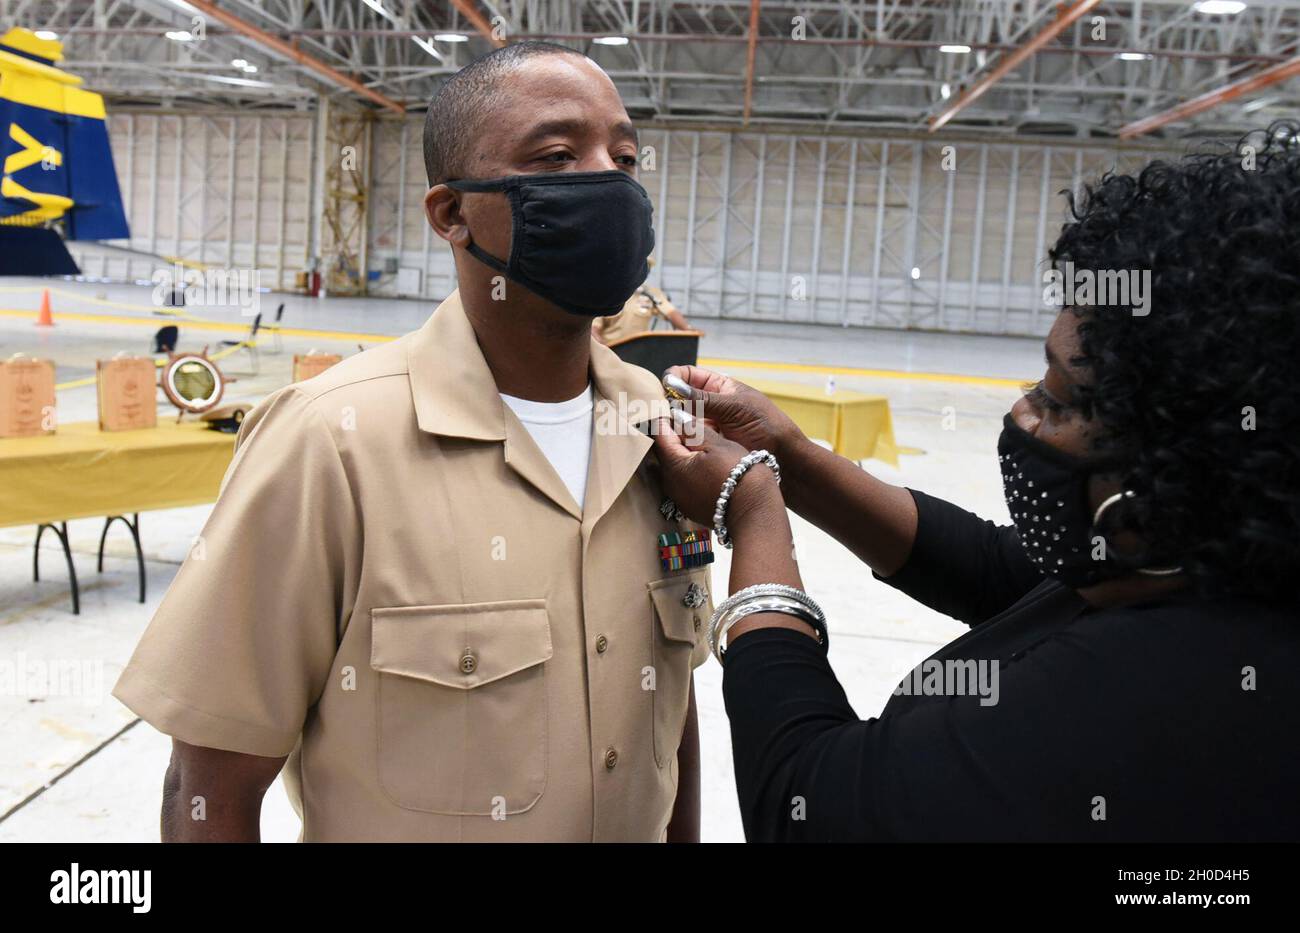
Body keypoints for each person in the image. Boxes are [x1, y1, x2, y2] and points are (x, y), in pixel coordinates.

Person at [113, 41, 714, 843]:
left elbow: (670, 709)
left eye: (625, 158)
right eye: (558, 156)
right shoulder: (331, 443)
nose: (609, 181)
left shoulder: (660, 427)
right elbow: (209, 788)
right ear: (452, 212)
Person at [651, 124, 1300, 842]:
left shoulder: (1169, 691)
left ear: (1171, 466)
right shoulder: (1195, 562)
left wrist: (753, 510)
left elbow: (807, 802)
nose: (1023, 412)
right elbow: (996, 569)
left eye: (1060, 399)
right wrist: (790, 455)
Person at [592, 258, 700, 345]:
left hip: (639, 351)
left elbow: (671, 312)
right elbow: (593, 328)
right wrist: (601, 349)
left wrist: (688, 330)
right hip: (612, 350)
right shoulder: (608, 293)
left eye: (645, 269)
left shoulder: (651, 294)